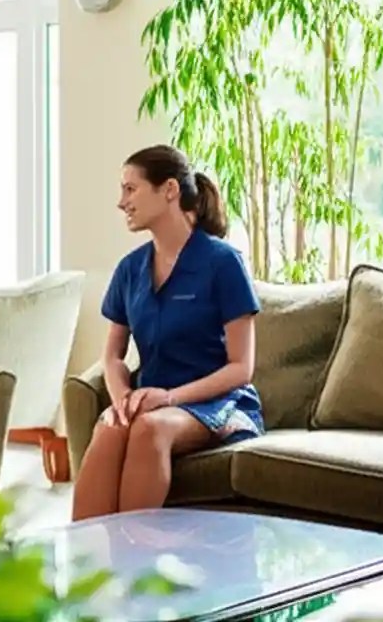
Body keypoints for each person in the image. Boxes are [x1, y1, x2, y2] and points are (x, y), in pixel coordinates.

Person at [71, 144, 263, 522]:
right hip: (149, 400)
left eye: (131, 189)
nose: (121, 202)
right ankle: (86, 569)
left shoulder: (223, 263)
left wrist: (171, 397)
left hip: (218, 403)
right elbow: (112, 356)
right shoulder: (129, 269)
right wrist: (122, 399)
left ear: (170, 190)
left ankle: (135, 565)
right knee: (111, 428)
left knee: (149, 429)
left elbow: (241, 368)